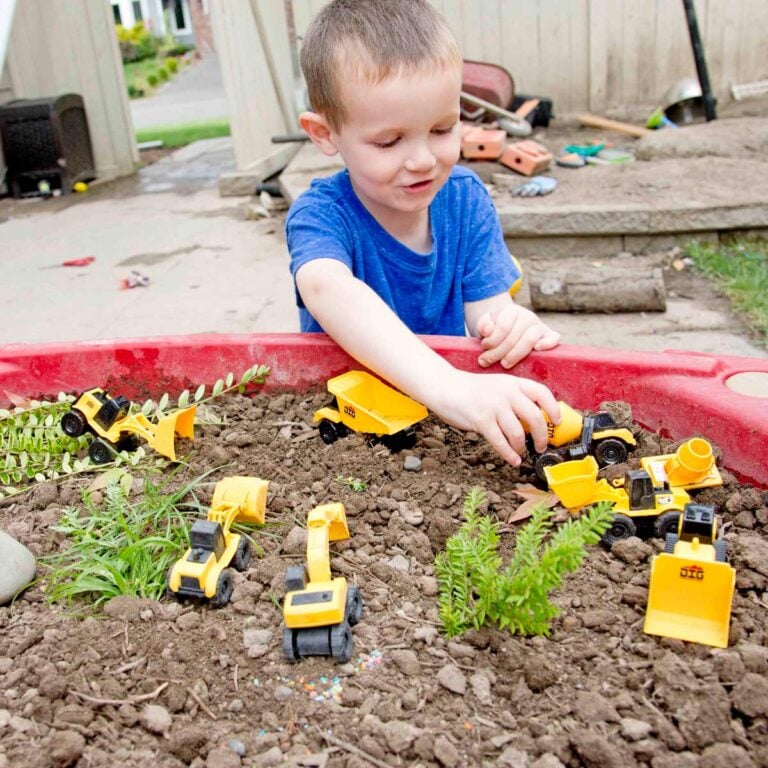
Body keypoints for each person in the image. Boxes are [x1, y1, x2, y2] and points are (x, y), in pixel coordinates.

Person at [286, 0, 561, 467]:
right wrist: (450, 388)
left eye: (441, 128)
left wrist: (510, 326)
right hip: (353, 428)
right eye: (389, 142)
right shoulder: (321, 214)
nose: (422, 160)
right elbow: (324, 286)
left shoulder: (465, 200)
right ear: (324, 133)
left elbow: (486, 313)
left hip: (446, 425)